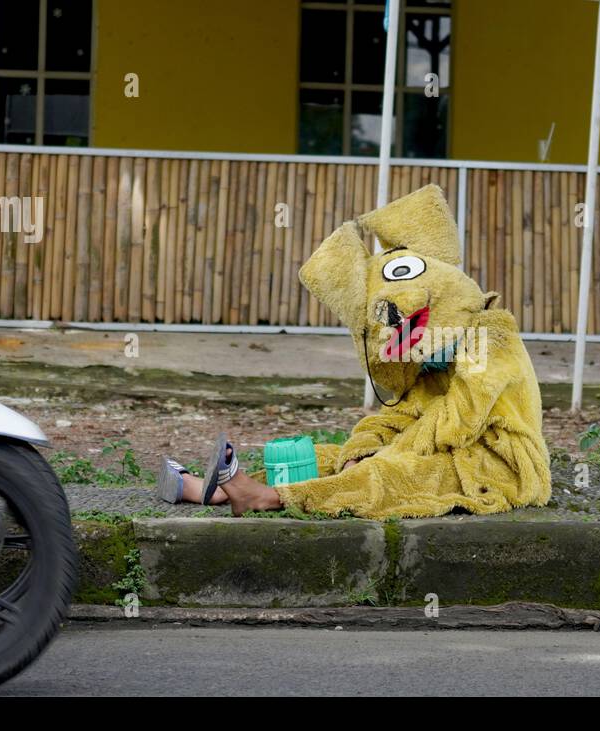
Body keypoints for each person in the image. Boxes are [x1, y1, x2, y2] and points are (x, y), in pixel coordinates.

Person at [158, 185, 551, 519]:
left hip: (496, 462)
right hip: (448, 446)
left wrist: (382, 455)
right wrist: (361, 448)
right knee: (327, 457)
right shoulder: (432, 353)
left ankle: (267, 498)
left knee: (391, 473)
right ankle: (221, 489)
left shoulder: (489, 334)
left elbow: (460, 419)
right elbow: (402, 410)